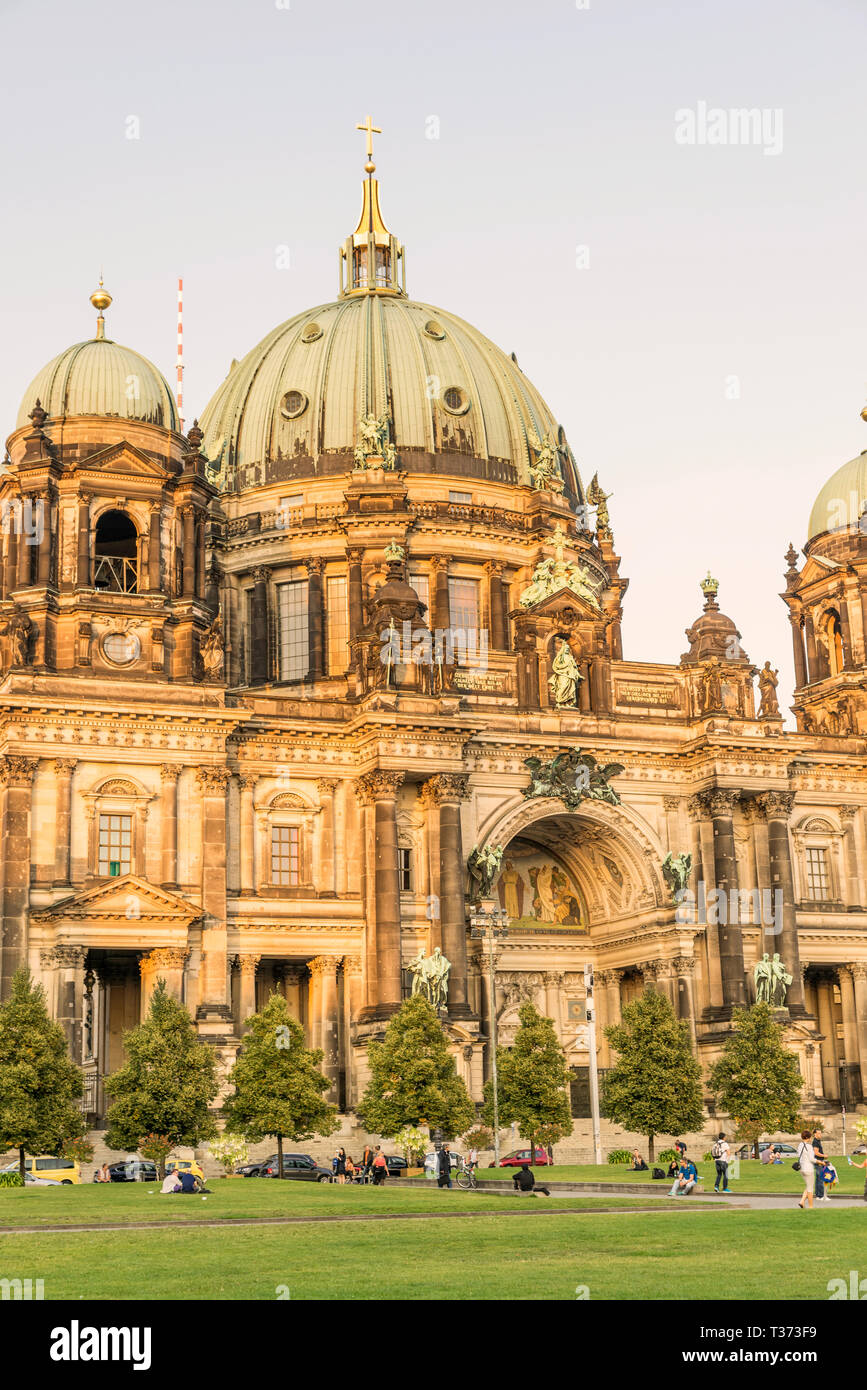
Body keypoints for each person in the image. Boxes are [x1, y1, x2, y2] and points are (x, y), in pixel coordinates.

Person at [796, 1129, 815, 1209]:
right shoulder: (809, 1146)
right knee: (810, 1188)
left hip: (802, 1168)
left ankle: (802, 1201)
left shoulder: (800, 1145)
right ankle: (811, 1206)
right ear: (808, 1137)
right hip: (809, 1169)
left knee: (808, 1185)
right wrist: (820, 1162)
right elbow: (811, 1159)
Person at [812, 1129, 825, 1202]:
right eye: (819, 1133)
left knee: (818, 1179)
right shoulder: (815, 1142)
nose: (820, 1134)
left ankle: (818, 1195)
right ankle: (821, 1195)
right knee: (820, 1179)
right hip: (818, 1162)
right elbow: (816, 1153)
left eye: (821, 1133)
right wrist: (824, 1155)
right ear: (815, 1134)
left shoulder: (818, 1141)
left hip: (819, 1161)